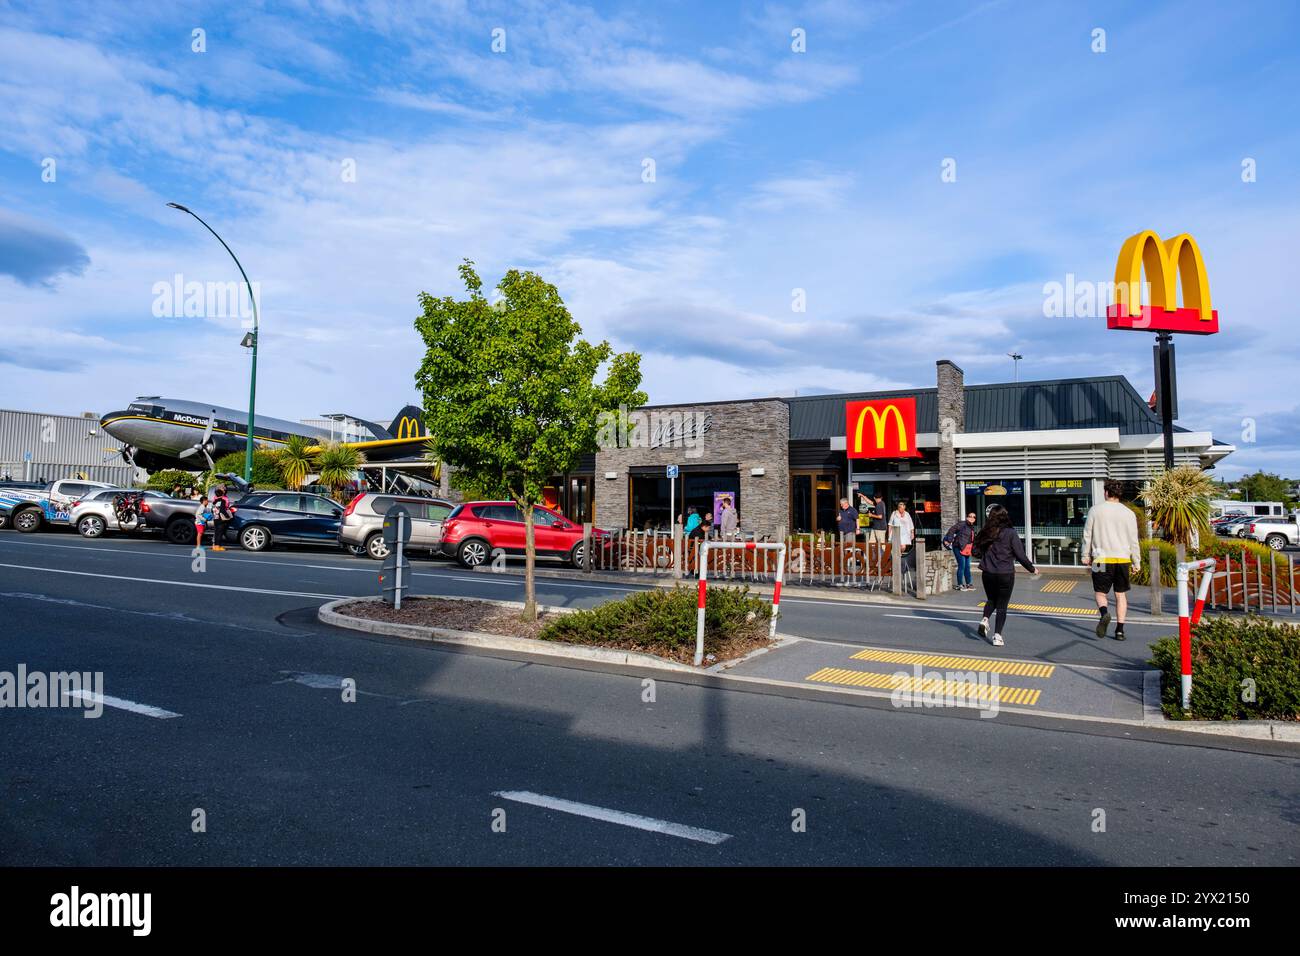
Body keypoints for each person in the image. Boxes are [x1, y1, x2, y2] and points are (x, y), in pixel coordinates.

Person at [1081, 479, 1141, 641]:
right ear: (1120, 494)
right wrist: (1137, 562)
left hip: (1101, 557)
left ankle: (1104, 613)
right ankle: (1120, 630)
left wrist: (1085, 555)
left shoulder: (1095, 510)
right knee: (1120, 594)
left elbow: (1088, 535)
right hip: (1122, 558)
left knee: (1100, 593)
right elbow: (1133, 540)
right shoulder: (1129, 513)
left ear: (1106, 492)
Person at [974, 503, 1036, 646]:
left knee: (991, 600)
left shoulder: (985, 531)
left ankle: (985, 619)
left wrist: (985, 553)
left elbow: (975, 551)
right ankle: (997, 636)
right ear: (1004, 516)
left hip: (987, 572)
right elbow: (1020, 554)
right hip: (1005, 573)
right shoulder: (1010, 533)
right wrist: (1032, 569)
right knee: (1002, 605)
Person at [943, 510, 978, 591]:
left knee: (967, 567)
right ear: (967, 517)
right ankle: (960, 585)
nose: (972, 518)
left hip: (967, 549)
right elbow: (952, 530)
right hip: (958, 547)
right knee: (962, 566)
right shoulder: (962, 524)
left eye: (974, 517)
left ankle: (969, 584)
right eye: (970, 516)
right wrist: (949, 539)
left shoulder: (971, 527)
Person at [210, 485, 233, 552]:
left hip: (215, 518)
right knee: (220, 533)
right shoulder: (223, 500)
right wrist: (228, 516)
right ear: (222, 493)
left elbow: (212, 509)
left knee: (216, 532)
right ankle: (218, 546)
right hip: (221, 519)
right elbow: (222, 510)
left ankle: (215, 546)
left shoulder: (215, 501)